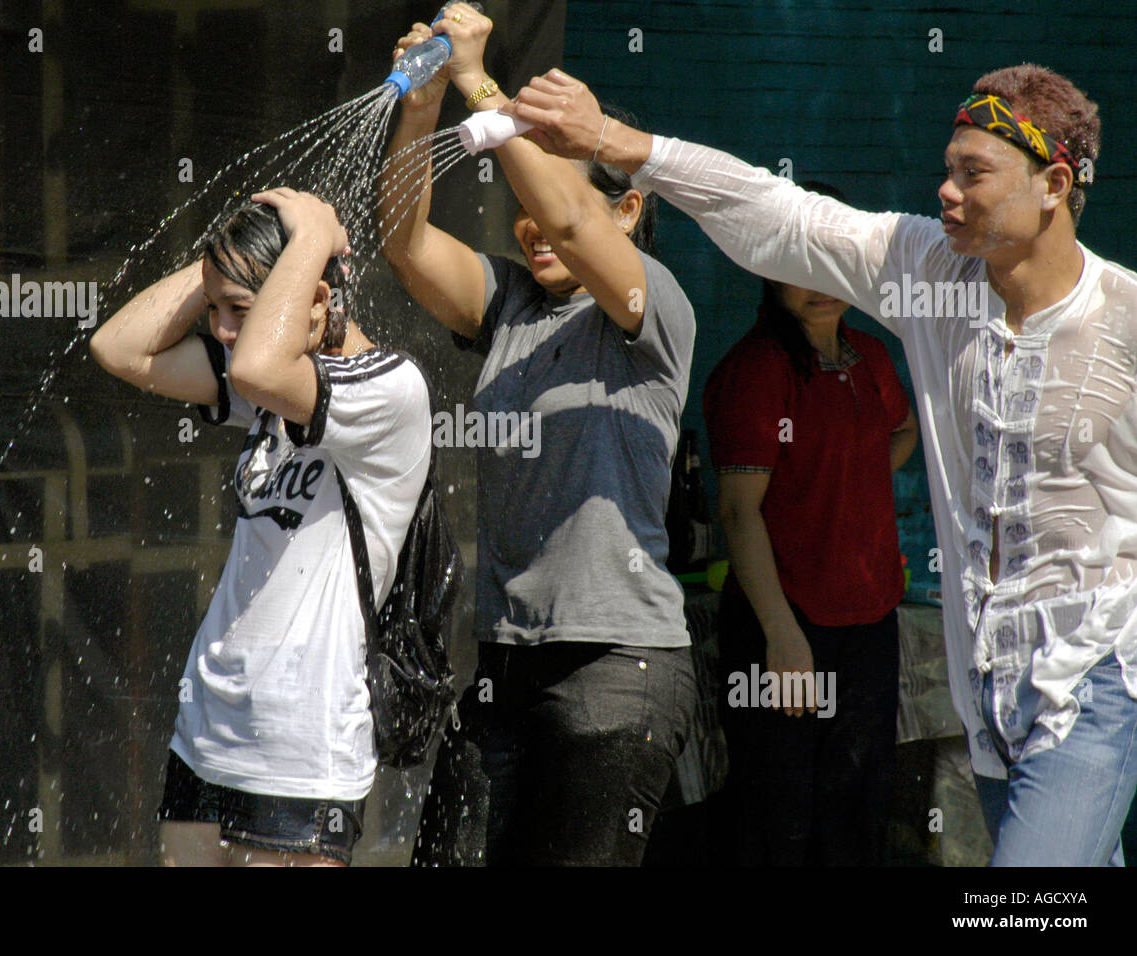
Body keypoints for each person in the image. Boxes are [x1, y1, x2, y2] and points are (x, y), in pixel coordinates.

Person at [507, 64, 1137, 866]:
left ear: (1053, 183)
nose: (946, 190)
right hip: (989, 694)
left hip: (1095, 676)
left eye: (973, 173)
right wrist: (617, 144)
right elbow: (780, 216)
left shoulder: (1125, 320)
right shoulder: (928, 273)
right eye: (947, 168)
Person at [378, 5, 698, 866]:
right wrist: (424, 98)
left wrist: (483, 84)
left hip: (618, 667)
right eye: (519, 199)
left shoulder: (651, 305)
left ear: (626, 209)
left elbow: (568, 223)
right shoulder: (510, 303)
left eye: (550, 182)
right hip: (505, 658)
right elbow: (403, 245)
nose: (531, 217)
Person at [90, 189, 431, 866]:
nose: (220, 328)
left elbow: (254, 366)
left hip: (301, 745)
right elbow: (118, 347)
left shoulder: (390, 390)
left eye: (240, 311)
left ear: (319, 298)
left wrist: (307, 241)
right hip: (209, 726)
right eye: (215, 311)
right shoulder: (269, 389)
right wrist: (228, 262)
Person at [702, 184, 919, 864]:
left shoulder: (871, 358)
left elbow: (904, 428)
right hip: (788, 630)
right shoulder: (758, 373)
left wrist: (849, 483)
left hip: (870, 626)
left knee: (860, 815)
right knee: (782, 822)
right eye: (798, 263)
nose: (817, 283)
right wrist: (782, 635)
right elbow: (738, 512)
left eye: (831, 261)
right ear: (769, 268)